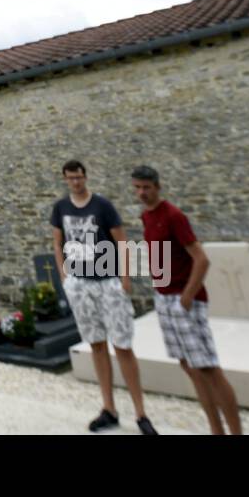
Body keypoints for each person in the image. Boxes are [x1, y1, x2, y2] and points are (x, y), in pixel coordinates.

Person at [131, 165, 241, 434]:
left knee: (208, 368)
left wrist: (187, 298)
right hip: (164, 297)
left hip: (183, 298)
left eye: (146, 187)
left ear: (158, 186)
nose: (142, 192)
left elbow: (201, 259)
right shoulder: (147, 217)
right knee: (189, 366)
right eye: (137, 187)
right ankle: (216, 429)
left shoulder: (173, 216)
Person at [51, 159, 157, 434]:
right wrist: (65, 278)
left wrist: (124, 279)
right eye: (71, 178)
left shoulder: (102, 206)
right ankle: (108, 408)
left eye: (79, 177)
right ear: (65, 180)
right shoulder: (61, 208)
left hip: (107, 281)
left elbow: (121, 240)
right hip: (80, 283)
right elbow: (57, 242)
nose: (76, 182)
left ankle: (141, 413)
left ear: (85, 177)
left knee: (122, 346)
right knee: (97, 344)